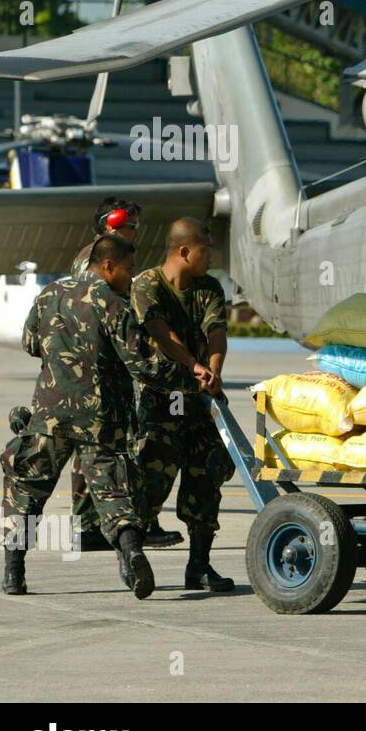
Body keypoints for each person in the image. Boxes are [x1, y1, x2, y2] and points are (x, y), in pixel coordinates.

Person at [1, 235, 197, 598]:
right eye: (128, 269)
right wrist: (189, 377)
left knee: (25, 491)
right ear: (107, 266)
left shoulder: (49, 294)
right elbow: (143, 365)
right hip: (101, 422)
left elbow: (30, 343)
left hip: (49, 416)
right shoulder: (114, 305)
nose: (131, 276)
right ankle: (132, 552)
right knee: (115, 496)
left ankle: (14, 573)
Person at [130, 218, 235, 592]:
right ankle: (131, 556)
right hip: (164, 398)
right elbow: (161, 334)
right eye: (206, 251)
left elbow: (217, 332)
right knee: (151, 479)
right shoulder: (146, 284)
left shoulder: (209, 287)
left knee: (207, 475)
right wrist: (194, 366)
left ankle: (199, 566)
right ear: (184, 251)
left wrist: (214, 370)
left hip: (199, 399)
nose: (211, 257)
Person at [68, 198, 174, 551]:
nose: (136, 231)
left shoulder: (106, 256)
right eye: (130, 224)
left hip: (103, 365)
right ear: (110, 224)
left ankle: (102, 525)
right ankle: (100, 525)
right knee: (108, 445)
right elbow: (99, 312)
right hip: (103, 367)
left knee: (99, 446)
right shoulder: (94, 261)